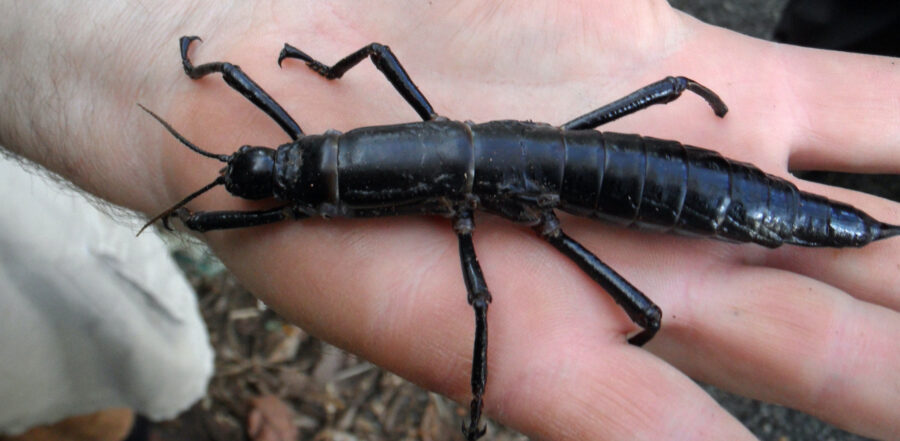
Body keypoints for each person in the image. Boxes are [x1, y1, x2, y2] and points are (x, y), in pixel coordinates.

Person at [2, 1, 898, 440]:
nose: (273, 176)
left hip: (643, 182)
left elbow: (478, 304)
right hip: (588, 167)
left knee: (511, 301)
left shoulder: (325, 191)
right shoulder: (340, 160)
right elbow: (320, 92)